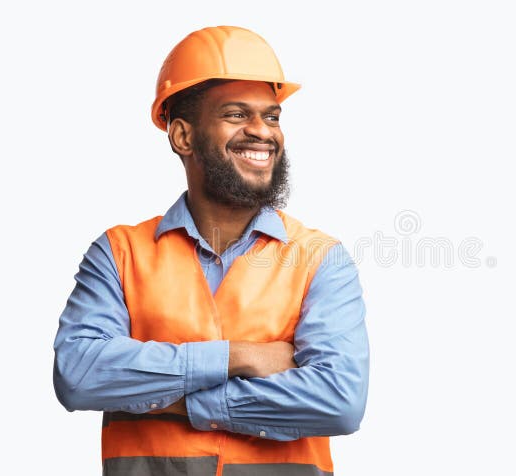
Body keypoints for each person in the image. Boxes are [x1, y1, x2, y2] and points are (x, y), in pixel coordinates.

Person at [53, 25, 369, 476]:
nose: (262, 132)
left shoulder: (321, 258)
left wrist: (180, 401)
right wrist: (240, 357)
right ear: (183, 136)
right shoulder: (118, 254)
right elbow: (78, 375)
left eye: (272, 117)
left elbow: (339, 402)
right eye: (237, 114)